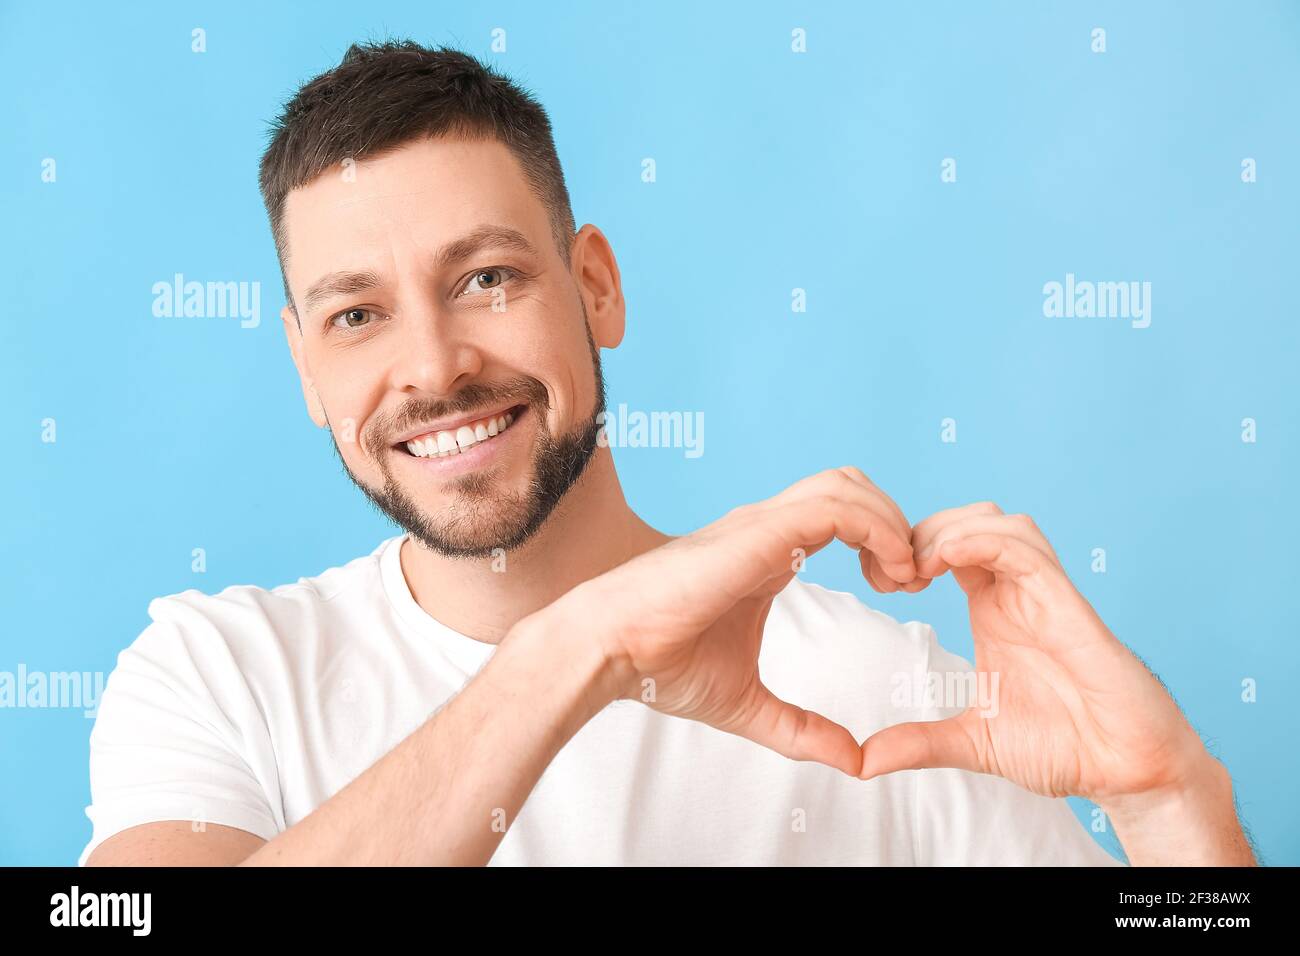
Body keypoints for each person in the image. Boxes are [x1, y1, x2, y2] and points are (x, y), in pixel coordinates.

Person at [78, 41, 1255, 866]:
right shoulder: (212, 674)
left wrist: (1170, 803)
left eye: (486, 278)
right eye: (355, 314)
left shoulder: (869, 699)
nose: (431, 367)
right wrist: (577, 649)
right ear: (303, 367)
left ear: (595, 285)